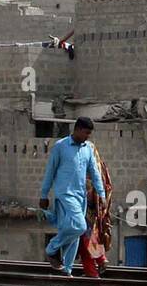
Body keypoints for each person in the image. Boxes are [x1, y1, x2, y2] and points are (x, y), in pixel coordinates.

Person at [39, 117, 105, 276]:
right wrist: (44, 194)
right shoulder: (60, 146)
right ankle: (52, 249)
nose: (88, 136)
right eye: (86, 133)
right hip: (64, 195)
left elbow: (95, 173)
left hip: (80, 196)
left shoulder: (88, 148)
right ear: (77, 129)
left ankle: (66, 270)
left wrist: (101, 194)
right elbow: (50, 171)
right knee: (79, 227)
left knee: (73, 235)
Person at [78, 143, 113, 278]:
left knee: (84, 245)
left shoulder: (87, 169)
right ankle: (101, 259)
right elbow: (108, 187)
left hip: (86, 211)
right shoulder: (101, 166)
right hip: (99, 211)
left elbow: (86, 190)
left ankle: (92, 275)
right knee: (93, 238)